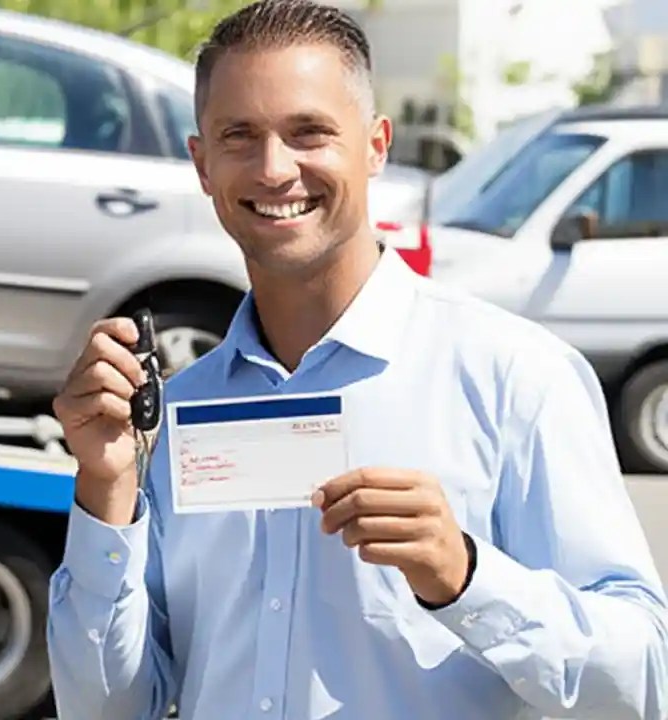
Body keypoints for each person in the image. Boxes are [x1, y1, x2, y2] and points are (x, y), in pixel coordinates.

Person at [45, 1, 668, 718]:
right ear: (202, 164)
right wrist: (105, 492)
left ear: (375, 146)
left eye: (309, 132)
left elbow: (639, 683)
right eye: (239, 136)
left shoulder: (516, 380)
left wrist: (465, 577)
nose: (275, 169)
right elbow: (108, 710)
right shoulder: (179, 413)